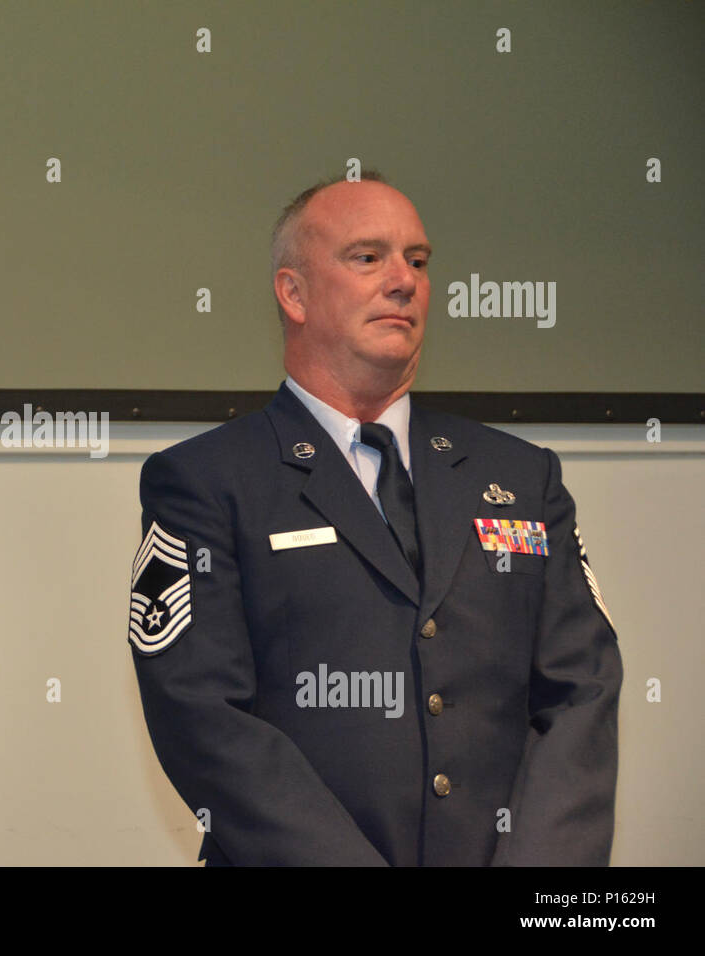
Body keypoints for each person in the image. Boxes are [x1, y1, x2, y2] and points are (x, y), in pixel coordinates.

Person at [128, 172, 621, 866]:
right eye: (368, 258)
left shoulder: (520, 478)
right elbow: (204, 719)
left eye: (417, 261)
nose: (404, 281)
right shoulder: (206, 483)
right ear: (293, 293)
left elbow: (581, 696)